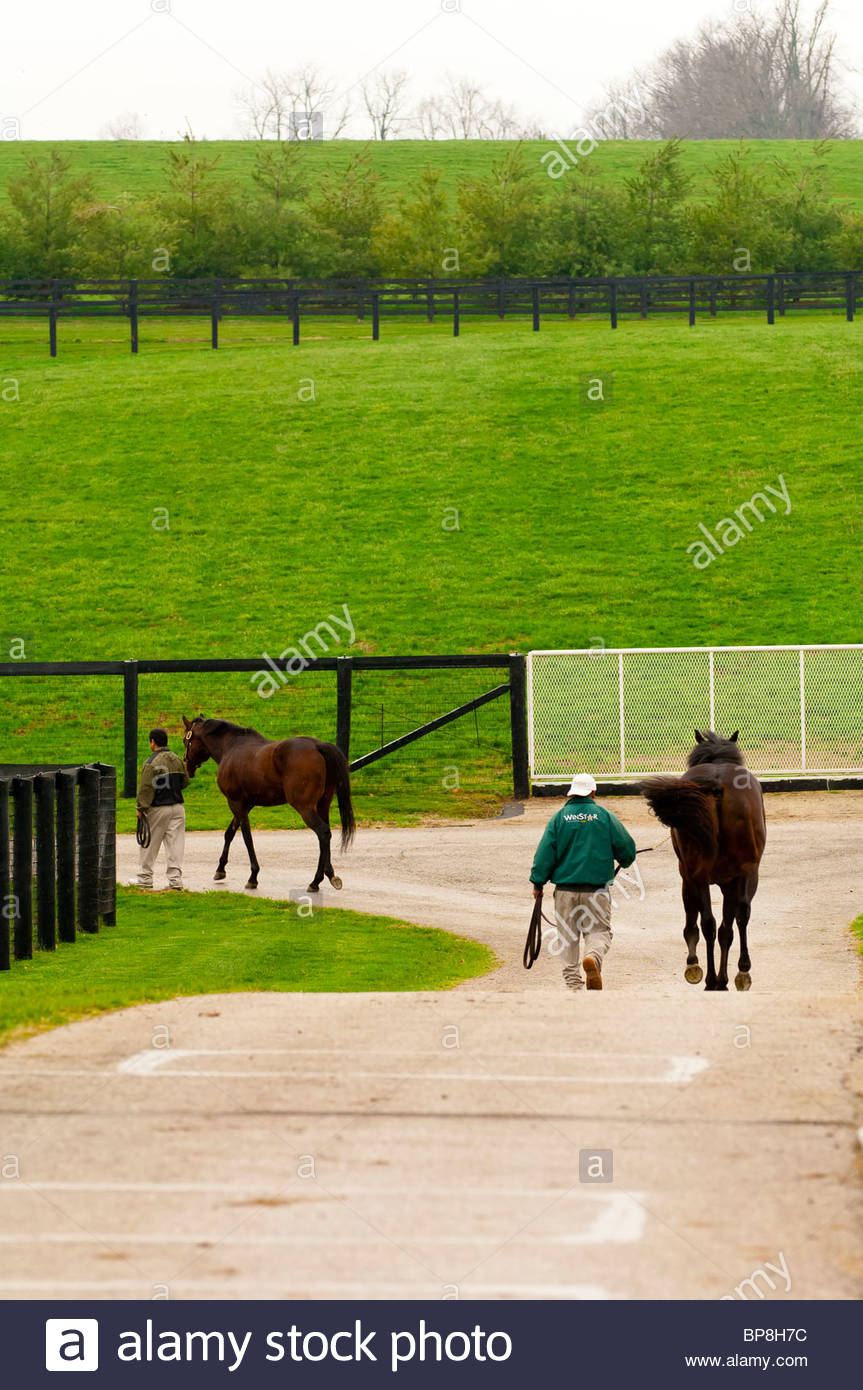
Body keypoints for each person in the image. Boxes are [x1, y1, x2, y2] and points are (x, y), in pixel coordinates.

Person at [530, 772, 636, 991]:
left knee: (567, 938)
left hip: (565, 892)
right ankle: (593, 958)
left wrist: (538, 883)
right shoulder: (604, 816)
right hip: (596, 891)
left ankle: (573, 986)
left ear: (572, 792)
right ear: (594, 792)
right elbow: (627, 849)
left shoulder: (559, 818)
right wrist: (625, 861)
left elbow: (544, 854)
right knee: (599, 931)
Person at [136, 727, 189, 891]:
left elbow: (146, 787)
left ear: (153, 742)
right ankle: (175, 881)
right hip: (178, 808)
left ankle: (145, 877)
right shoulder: (177, 759)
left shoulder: (151, 763)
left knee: (149, 843)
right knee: (175, 845)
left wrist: (141, 807)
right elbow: (185, 782)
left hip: (158, 808)